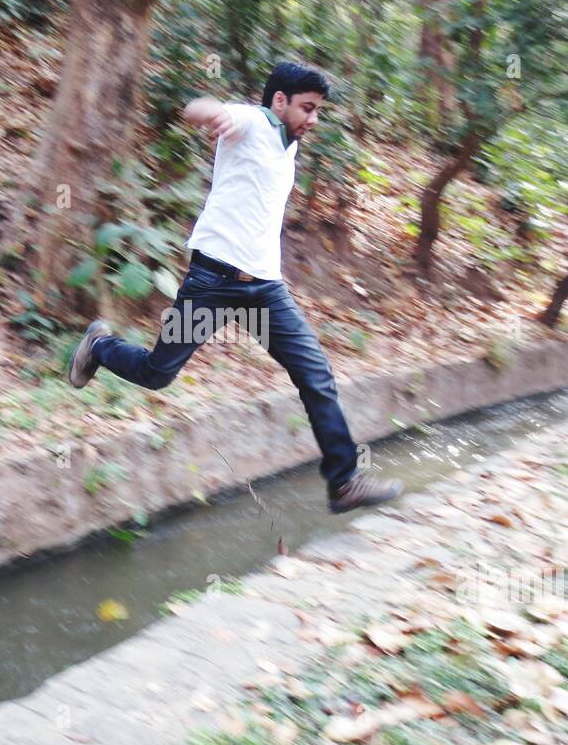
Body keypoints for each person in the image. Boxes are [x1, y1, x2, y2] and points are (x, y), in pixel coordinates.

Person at [68, 62, 401, 514]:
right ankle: (100, 345)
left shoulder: (288, 146)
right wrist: (213, 114)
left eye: (318, 110)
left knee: (316, 377)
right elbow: (197, 107)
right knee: (157, 373)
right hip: (214, 281)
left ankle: (343, 483)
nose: (314, 119)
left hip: (265, 291)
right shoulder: (251, 121)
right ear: (279, 101)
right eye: (307, 107)